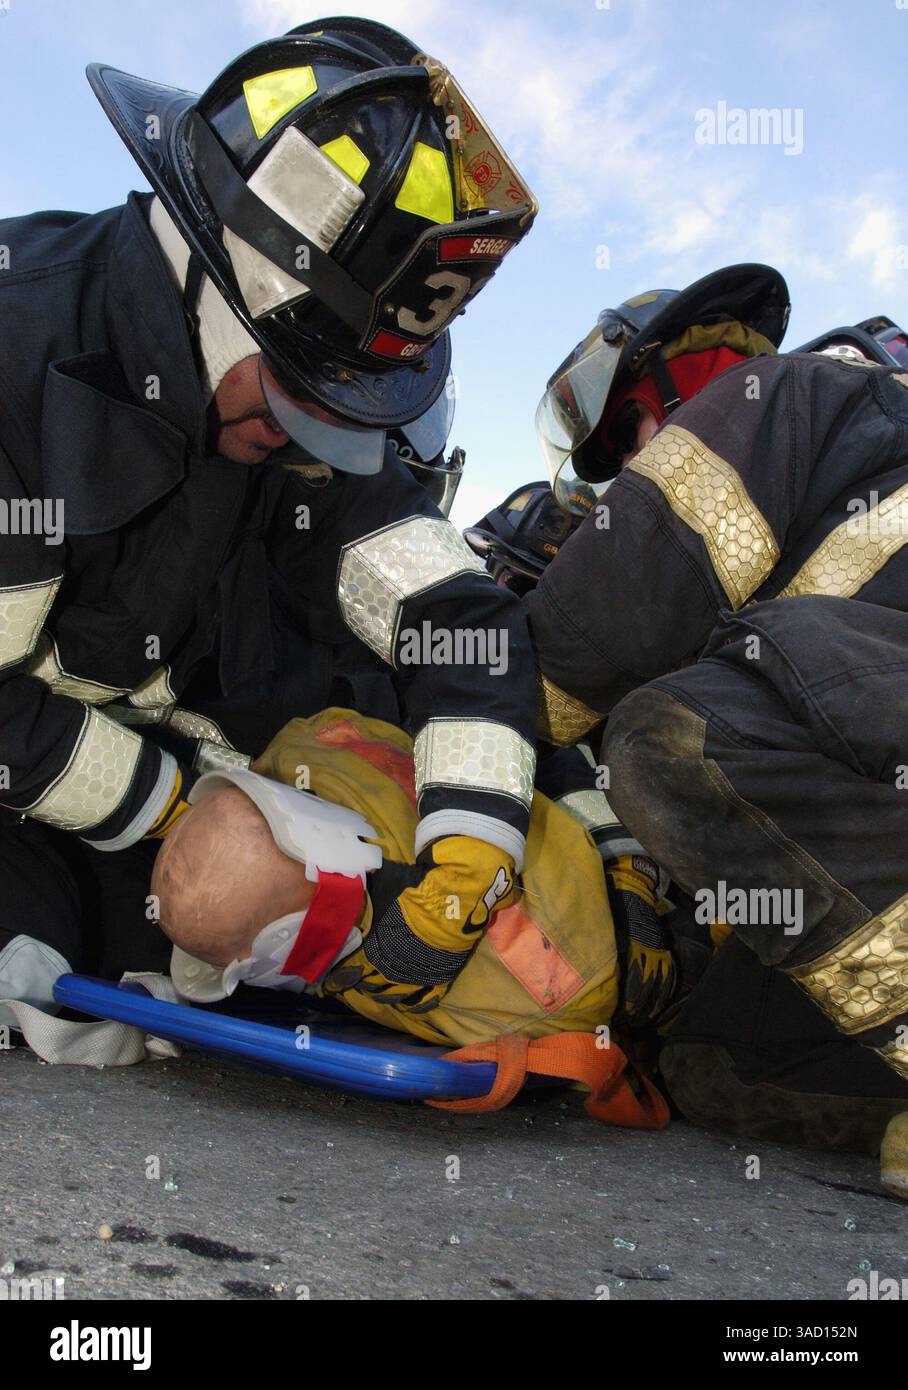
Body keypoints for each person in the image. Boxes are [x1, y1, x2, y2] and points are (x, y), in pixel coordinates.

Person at [0, 17, 541, 1029]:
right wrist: (175, 806)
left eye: (346, 407)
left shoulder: (299, 407)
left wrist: (474, 845)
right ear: (219, 285)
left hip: (143, 799)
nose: (309, 440)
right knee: (39, 963)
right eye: (302, 396)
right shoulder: (16, 349)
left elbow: (452, 614)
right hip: (54, 788)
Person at [525, 263, 908, 1167]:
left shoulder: (782, 395)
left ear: (673, 381)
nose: (630, 473)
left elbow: (586, 643)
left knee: (676, 738)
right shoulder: (832, 475)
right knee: (722, 1061)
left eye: (626, 434)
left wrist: (442, 732)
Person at [149, 705, 669, 1126]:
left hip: (610, 929)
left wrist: (630, 880)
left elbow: (578, 1018)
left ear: (282, 949)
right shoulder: (305, 743)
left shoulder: (539, 994)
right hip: (553, 776)